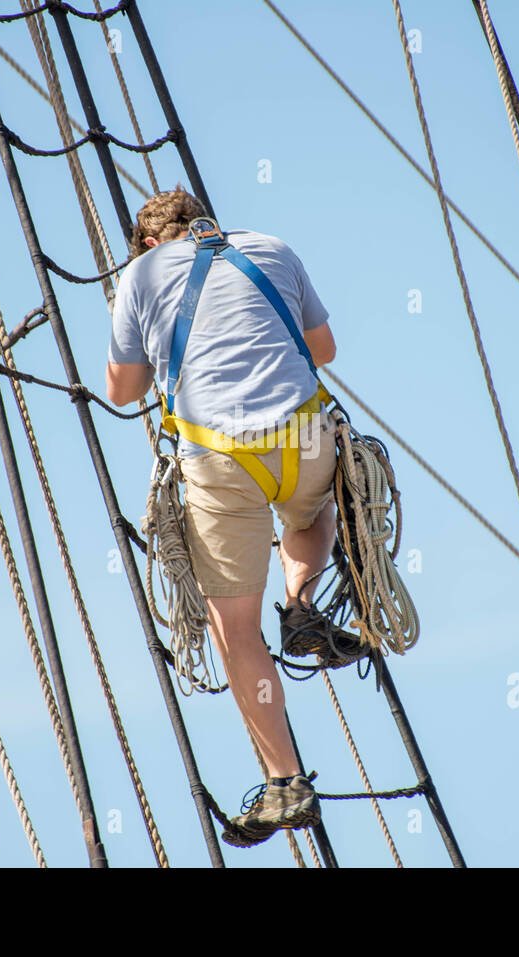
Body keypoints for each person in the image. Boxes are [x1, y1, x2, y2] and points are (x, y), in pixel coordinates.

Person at [105, 186, 362, 848]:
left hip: (219, 456)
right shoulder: (270, 246)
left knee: (235, 630)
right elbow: (324, 347)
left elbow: (122, 390)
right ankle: (302, 602)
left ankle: (285, 783)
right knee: (310, 513)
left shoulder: (139, 274)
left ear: (151, 242)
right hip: (303, 435)